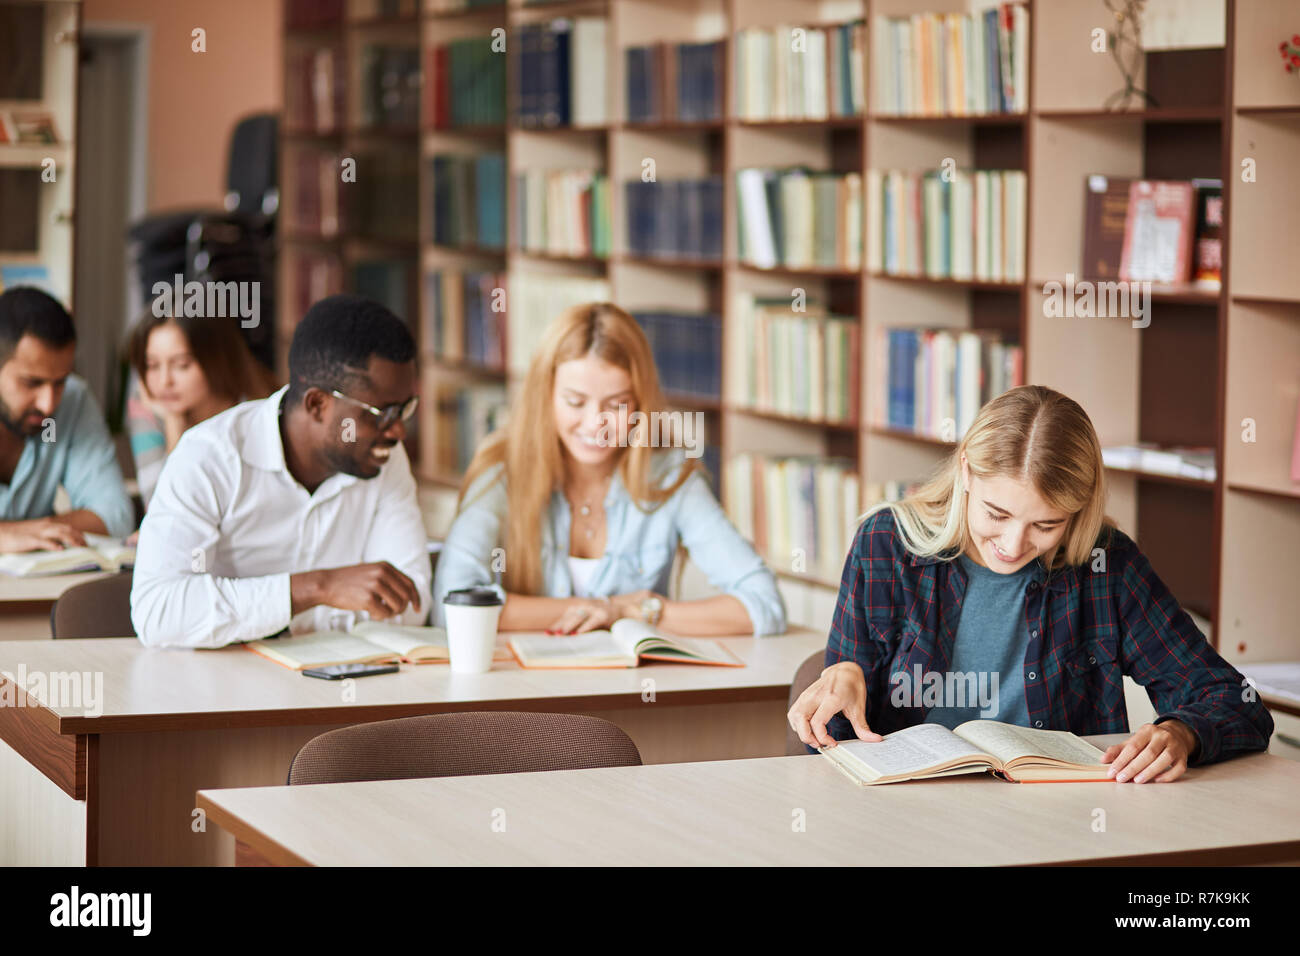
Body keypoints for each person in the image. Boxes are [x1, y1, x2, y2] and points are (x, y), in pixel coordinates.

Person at [788, 385, 1273, 782]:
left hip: (1062, 820)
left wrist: (1182, 731)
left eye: (1046, 525)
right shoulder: (886, 545)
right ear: (966, 474)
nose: (1014, 544)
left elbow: (1236, 701)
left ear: (1077, 512)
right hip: (912, 817)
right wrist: (843, 679)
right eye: (996, 514)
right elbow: (834, 738)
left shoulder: (1107, 565)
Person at [432, 302, 785, 637]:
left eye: (617, 405)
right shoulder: (502, 469)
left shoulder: (670, 476)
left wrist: (636, 610)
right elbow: (453, 603)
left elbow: (763, 603)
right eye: (575, 402)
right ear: (546, 396)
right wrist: (599, 609)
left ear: (640, 404)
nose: (595, 423)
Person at [130, 294, 430, 648]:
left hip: (335, 687)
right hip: (216, 692)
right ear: (317, 404)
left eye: (405, 409)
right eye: (382, 414)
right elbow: (159, 613)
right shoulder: (209, 456)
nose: (398, 432)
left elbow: (411, 604)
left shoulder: (384, 458)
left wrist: (256, 612)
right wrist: (319, 588)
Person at [0, 287, 134, 552]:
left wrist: (32, 531)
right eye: (32, 382)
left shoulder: (74, 400)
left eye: (59, 382)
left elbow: (115, 515)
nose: (48, 404)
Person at [125, 310, 277, 506]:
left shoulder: (259, 409)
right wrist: (174, 424)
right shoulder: (147, 403)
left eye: (182, 365)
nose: (164, 381)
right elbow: (161, 510)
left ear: (215, 360)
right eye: (152, 365)